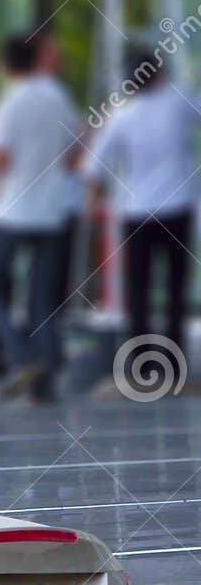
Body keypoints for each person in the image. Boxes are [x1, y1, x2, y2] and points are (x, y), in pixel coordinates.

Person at [0, 30, 83, 403]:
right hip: (52, 209)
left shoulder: (10, 102)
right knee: (42, 297)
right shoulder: (58, 95)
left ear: (7, 66)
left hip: (12, 210)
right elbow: (76, 150)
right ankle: (46, 378)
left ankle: (22, 355)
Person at [82, 49, 199, 376]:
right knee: (175, 289)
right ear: (159, 73)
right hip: (177, 208)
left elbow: (94, 167)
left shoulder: (122, 115)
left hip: (137, 212)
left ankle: (141, 362)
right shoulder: (178, 101)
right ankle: (174, 362)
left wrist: (91, 203)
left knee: (138, 290)